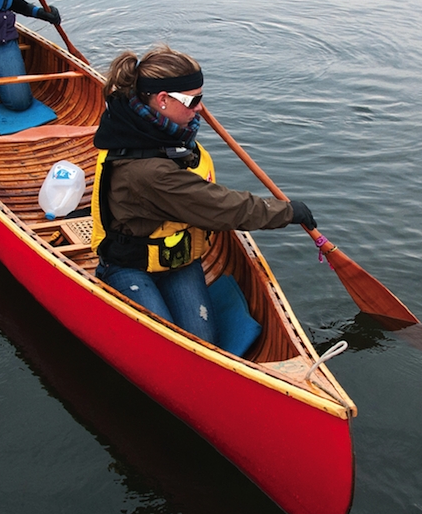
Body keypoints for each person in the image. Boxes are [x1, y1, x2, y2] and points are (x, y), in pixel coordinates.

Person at [90, 44, 318, 346]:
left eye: (201, 97)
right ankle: (110, 282)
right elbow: (221, 207)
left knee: (203, 338)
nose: (200, 108)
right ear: (162, 100)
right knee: (169, 344)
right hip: (129, 264)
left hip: (176, 258)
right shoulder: (147, 170)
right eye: (193, 100)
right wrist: (287, 212)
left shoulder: (157, 128)